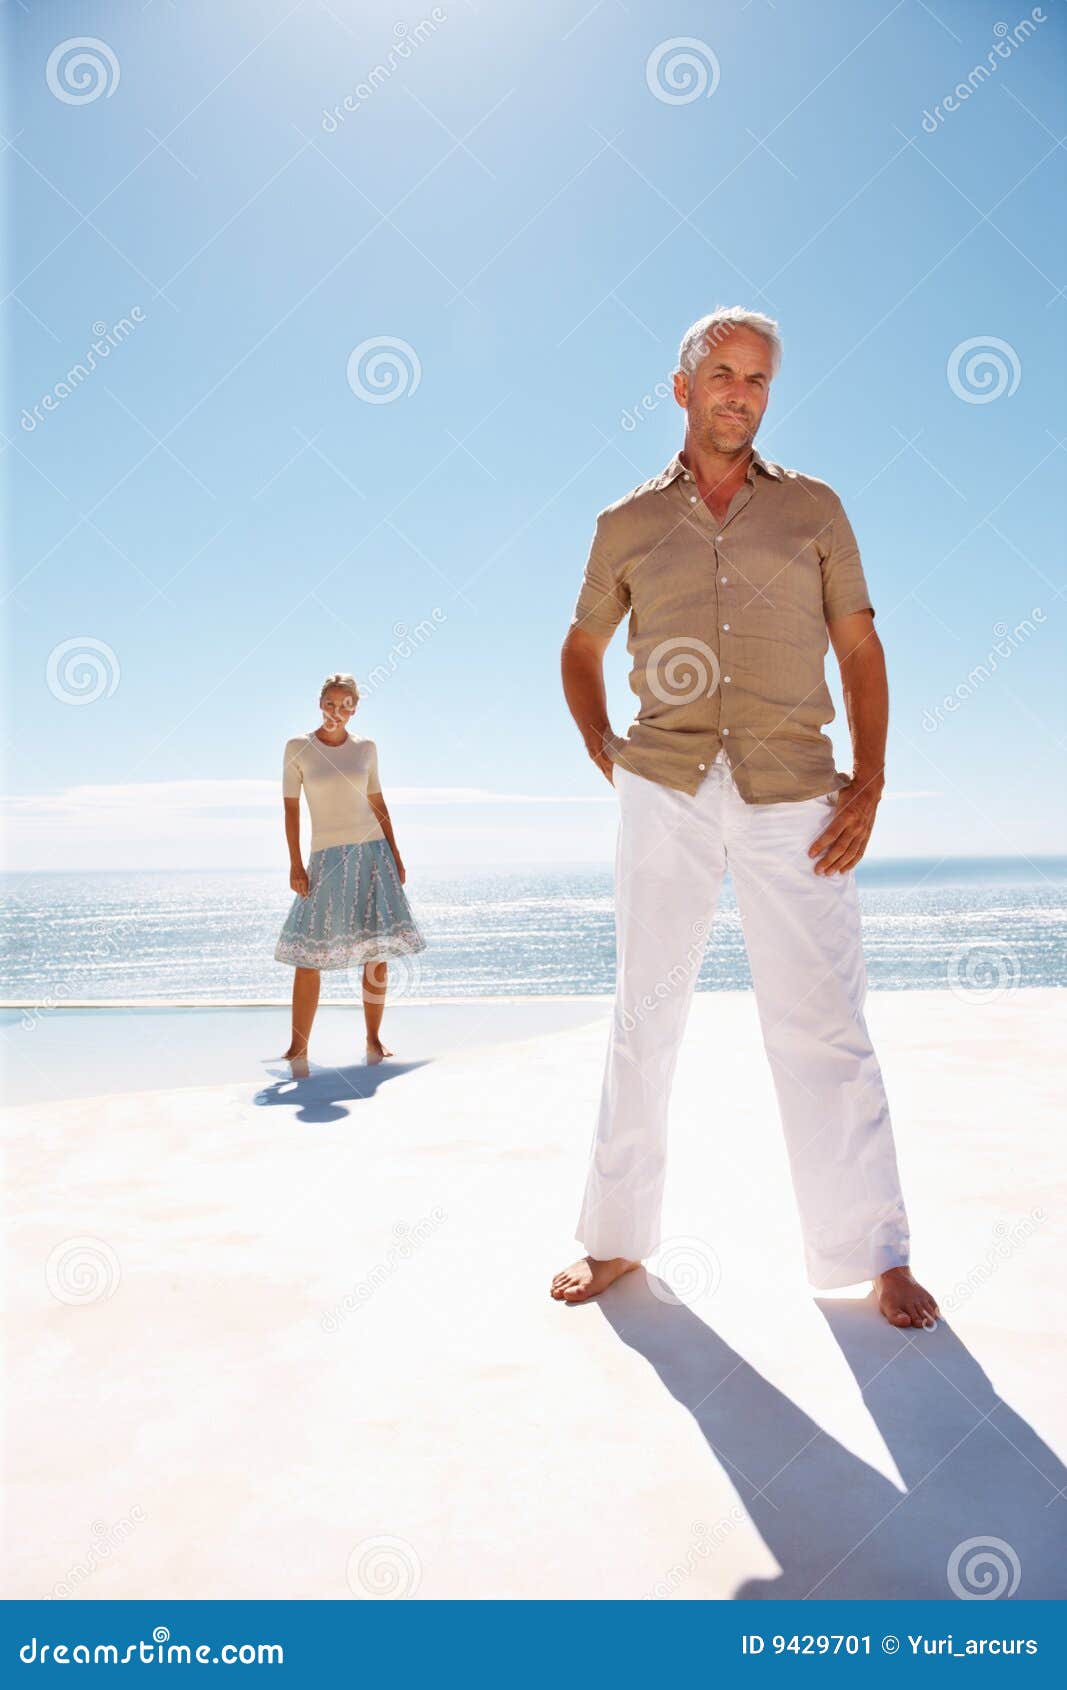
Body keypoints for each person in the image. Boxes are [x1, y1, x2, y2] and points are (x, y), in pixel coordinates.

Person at [551, 307, 939, 1330]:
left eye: (757, 378)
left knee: (824, 1022)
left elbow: (859, 648)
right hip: (665, 788)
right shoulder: (624, 524)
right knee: (644, 1014)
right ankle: (614, 1237)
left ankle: (876, 1254)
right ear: (681, 388)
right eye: (721, 373)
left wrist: (869, 780)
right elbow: (580, 647)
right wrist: (602, 746)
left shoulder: (813, 508)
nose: (740, 392)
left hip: (796, 789)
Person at [274, 673, 426, 1068]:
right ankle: (298, 1047)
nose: (336, 711)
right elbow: (291, 810)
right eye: (330, 703)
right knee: (309, 955)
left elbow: (378, 802)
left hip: (372, 852)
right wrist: (295, 863)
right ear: (319, 703)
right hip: (324, 857)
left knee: (377, 950)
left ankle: (374, 1039)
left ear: (355, 708)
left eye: (345, 704)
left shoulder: (366, 749)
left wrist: (396, 853)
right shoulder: (298, 748)